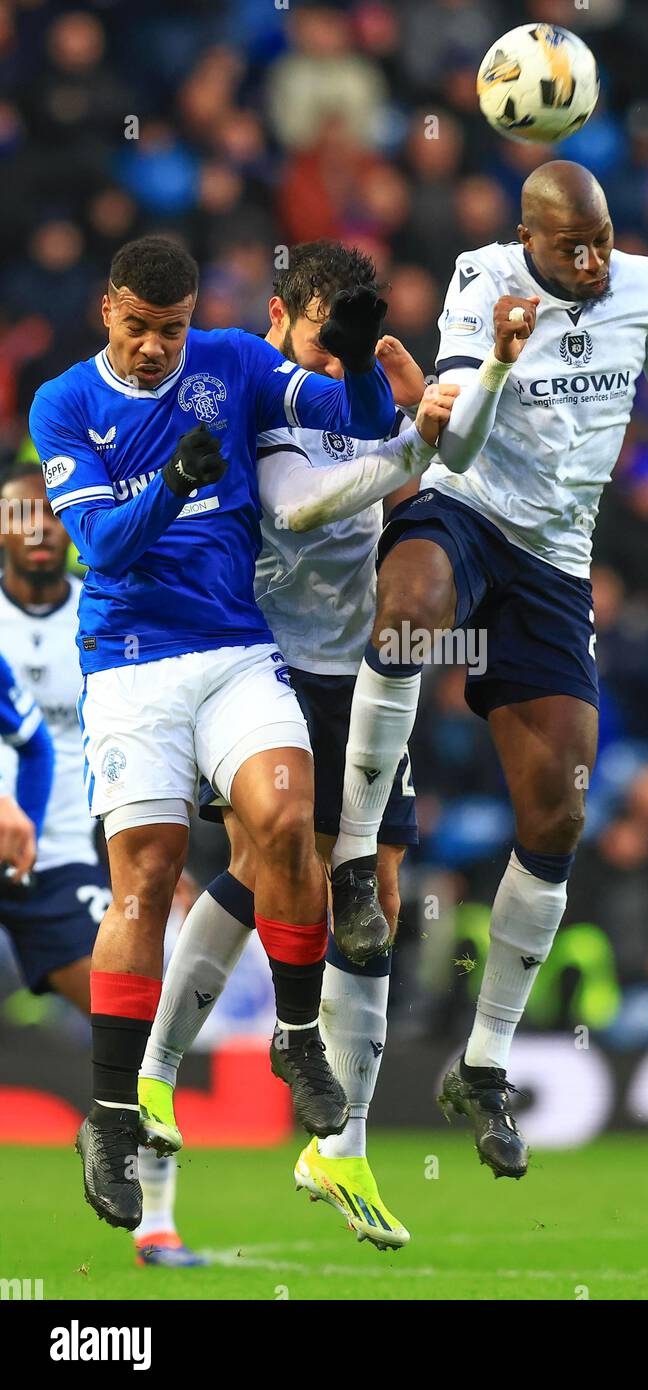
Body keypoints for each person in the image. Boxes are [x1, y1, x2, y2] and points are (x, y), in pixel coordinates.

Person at [329, 160, 648, 1180]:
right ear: (528, 239)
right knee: (408, 604)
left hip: (555, 562)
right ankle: (349, 856)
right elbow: (451, 440)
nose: (592, 259)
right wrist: (503, 361)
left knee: (556, 814)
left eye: (601, 237)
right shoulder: (479, 278)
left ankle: (482, 1063)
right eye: (571, 246)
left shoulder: (644, 288)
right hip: (466, 515)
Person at [28, 234, 397, 1231]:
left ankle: (294, 1035)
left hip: (235, 647)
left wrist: (358, 366)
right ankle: (109, 1115)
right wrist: (179, 481)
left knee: (285, 819)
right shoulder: (62, 404)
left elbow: (354, 424)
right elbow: (99, 542)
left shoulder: (231, 361)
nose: (156, 349)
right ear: (109, 309)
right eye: (140, 328)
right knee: (143, 878)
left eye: (173, 329)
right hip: (129, 666)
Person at [139, 240, 458, 1251]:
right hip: (264, 669)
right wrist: (414, 448)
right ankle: (155, 1071)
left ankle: (342, 1146)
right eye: (322, 340)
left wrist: (448, 402)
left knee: (381, 895)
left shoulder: (358, 389)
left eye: (347, 346)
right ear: (279, 315)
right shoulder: (258, 403)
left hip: (361, 675)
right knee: (280, 866)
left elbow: (432, 470)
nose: (333, 363)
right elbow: (297, 505)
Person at [0, 462, 200, 1265]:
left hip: (67, 859)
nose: (38, 530)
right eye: (20, 517)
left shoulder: (109, 613)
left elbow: (152, 736)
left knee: (139, 1026)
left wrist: (154, 856)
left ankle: (154, 1221)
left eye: (50, 516)